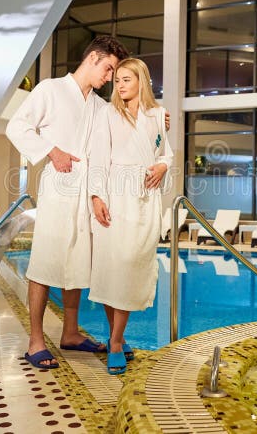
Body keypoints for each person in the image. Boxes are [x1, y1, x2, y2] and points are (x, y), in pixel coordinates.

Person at [5, 35, 128, 369]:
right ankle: (35, 341)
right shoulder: (50, 89)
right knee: (44, 264)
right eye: (108, 69)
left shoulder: (100, 106)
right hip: (59, 189)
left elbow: (122, 134)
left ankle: (70, 333)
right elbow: (17, 127)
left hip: (88, 194)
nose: (110, 78)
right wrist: (51, 151)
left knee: (77, 263)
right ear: (93, 58)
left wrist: (159, 122)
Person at [88, 58, 174, 375]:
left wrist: (163, 166)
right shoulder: (108, 114)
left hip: (145, 200)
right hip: (114, 197)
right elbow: (98, 158)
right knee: (111, 269)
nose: (120, 85)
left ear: (141, 81)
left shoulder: (157, 115)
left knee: (130, 265)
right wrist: (97, 196)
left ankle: (117, 337)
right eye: (117, 80)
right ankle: (116, 342)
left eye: (126, 79)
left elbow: (166, 153)